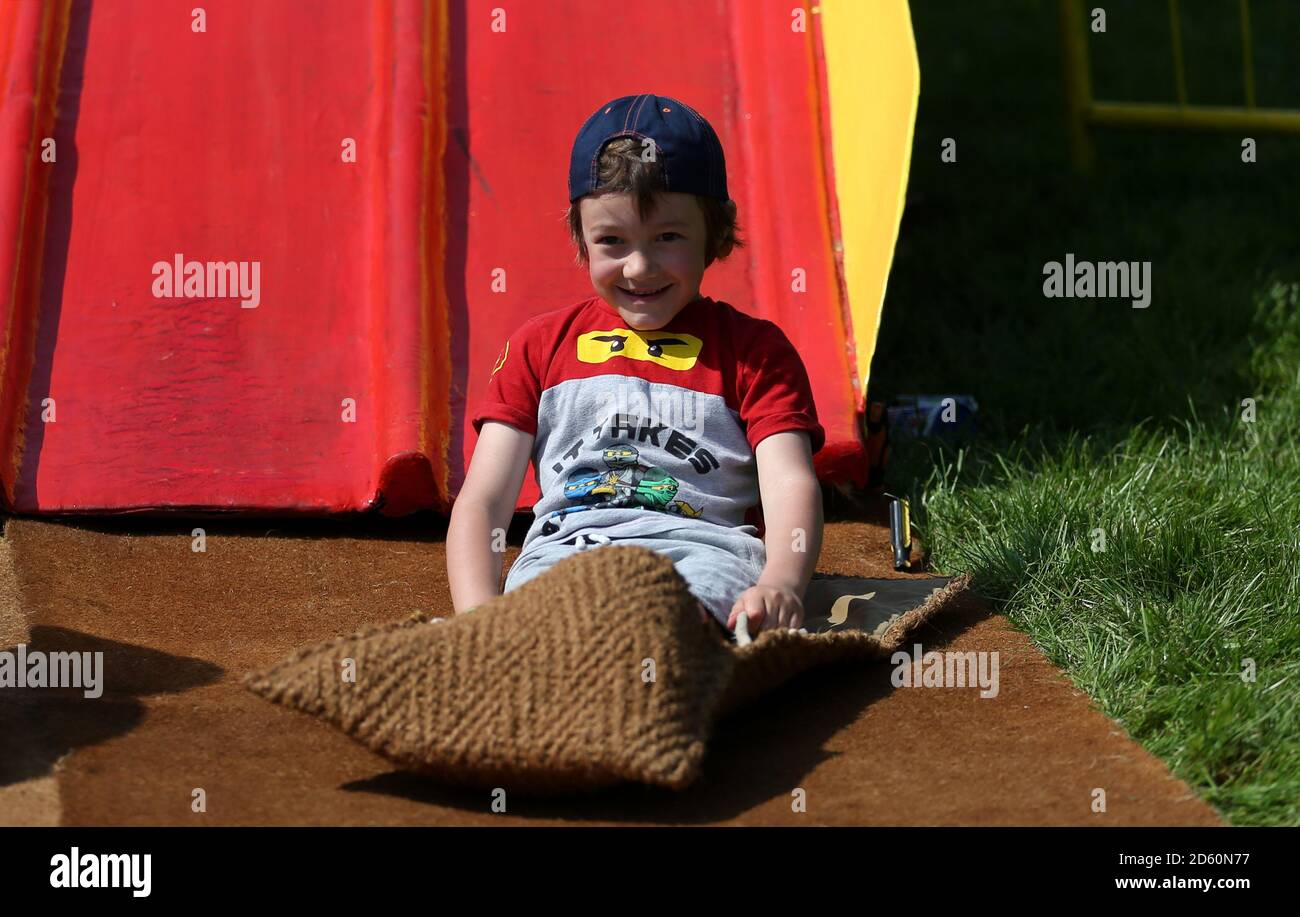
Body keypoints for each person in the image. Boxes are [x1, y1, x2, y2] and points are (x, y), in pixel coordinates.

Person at [448, 93, 825, 637]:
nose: (640, 265)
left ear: (715, 234)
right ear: (581, 238)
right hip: (567, 554)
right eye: (613, 241)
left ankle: (646, 672)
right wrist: (478, 615)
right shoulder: (539, 346)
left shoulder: (756, 352)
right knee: (537, 629)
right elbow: (483, 499)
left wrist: (782, 584)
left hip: (703, 558)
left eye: (668, 237)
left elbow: (791, 482)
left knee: (672, 626)